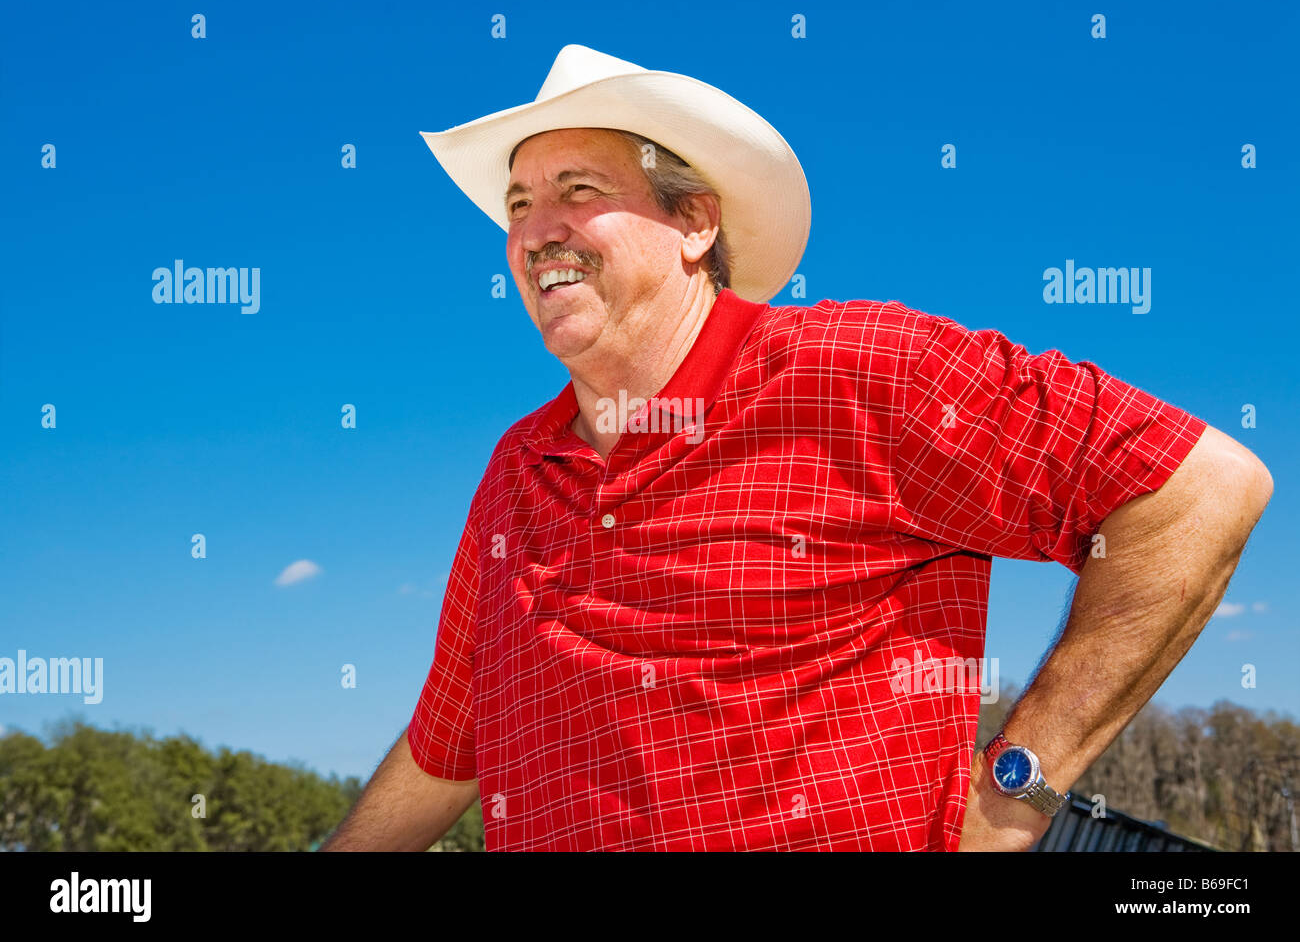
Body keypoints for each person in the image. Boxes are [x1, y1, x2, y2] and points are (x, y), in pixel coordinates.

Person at [322, 45, 1272, 851]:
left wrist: (1010, 798)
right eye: (520, 204)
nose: (536, 232)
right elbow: (448, 743)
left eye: (578, 190)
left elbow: (1200, 490)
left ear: (695, 223)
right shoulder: (515, 472)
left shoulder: (859, 370)